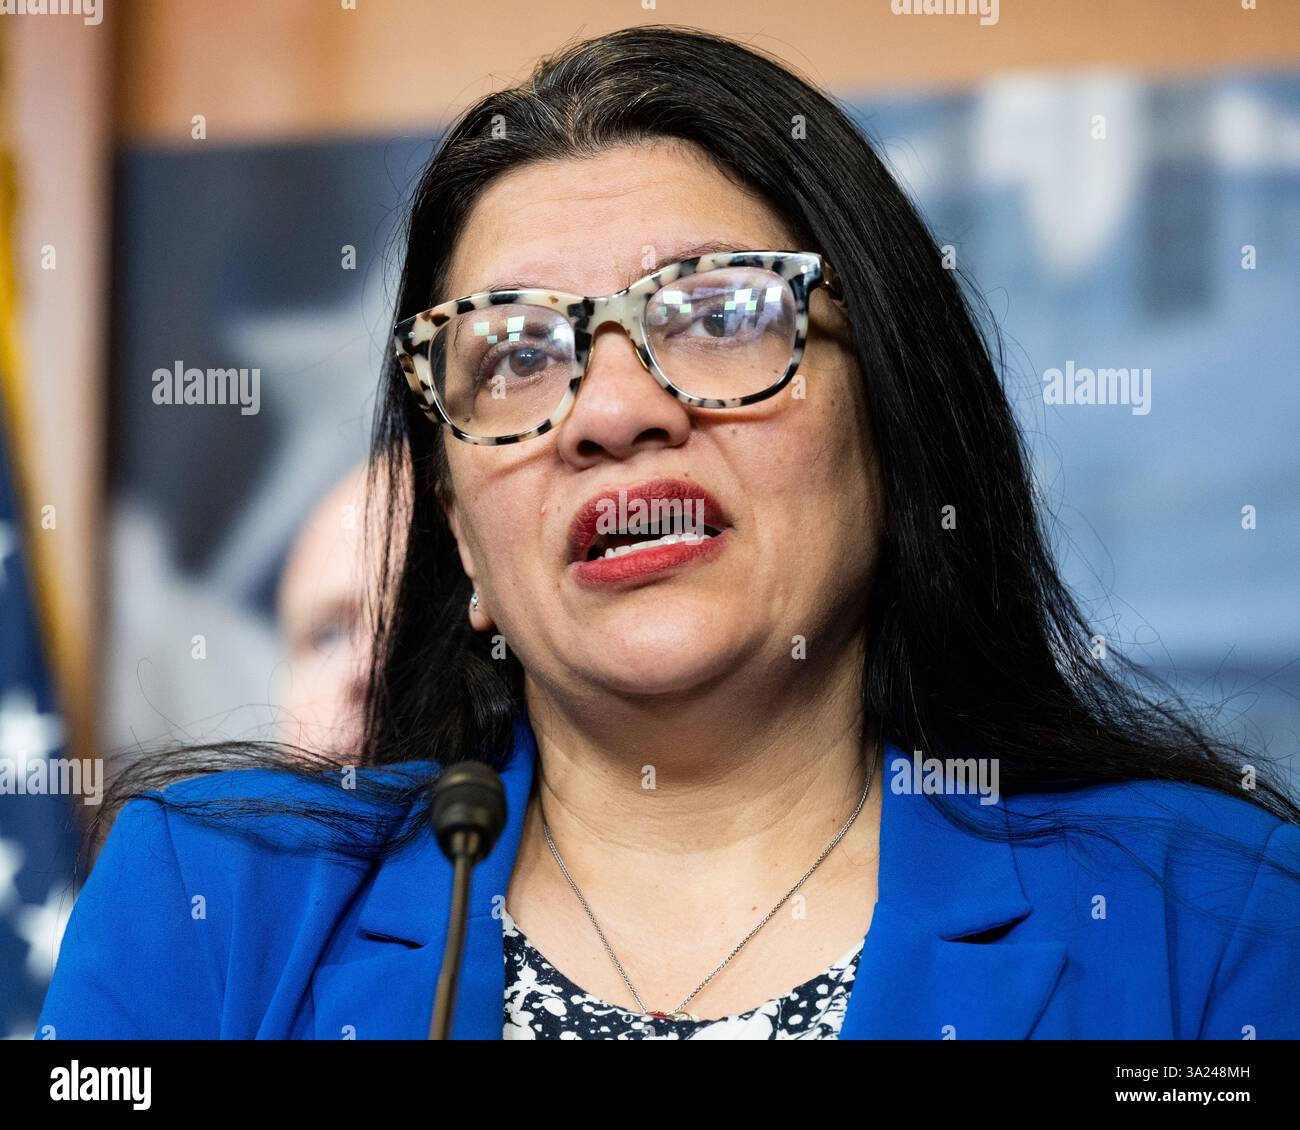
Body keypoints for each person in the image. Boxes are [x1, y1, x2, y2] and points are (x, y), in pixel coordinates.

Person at [37, 25, 1300, 1040]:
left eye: (719, 312)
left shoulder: (1211, 913)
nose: (614, 409)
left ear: (896, 423)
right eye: (517, 353)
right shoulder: (208, 909)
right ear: (461, 540)